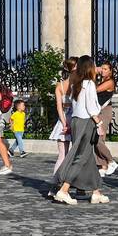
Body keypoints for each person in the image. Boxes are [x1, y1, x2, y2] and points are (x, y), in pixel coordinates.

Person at [53, 56, 109, 205]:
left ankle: (96, 191)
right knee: (80, 158)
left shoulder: (76, 84)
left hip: (77, 121)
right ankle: (64, 190)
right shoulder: (89, 84)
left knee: (88, 157)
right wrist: (99, 123)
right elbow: (91, 107)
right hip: (86, 122)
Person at [48, 59, 76, 191]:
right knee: (76, 155)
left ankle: (56, 182)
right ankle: (69, 183)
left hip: (63, 119)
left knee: (62, 154)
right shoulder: (77, 84)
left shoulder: (59, 85)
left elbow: (59, 107)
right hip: (75, 118)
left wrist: (64, 123)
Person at [94, 60, 118, 176]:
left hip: (105, 111)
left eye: (105, 69)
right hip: (98, 111)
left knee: (99, 140)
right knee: (97, 139)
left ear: (110, 71)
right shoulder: (101, 80)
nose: (102, 71)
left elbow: (95, 90)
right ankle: (102, 166)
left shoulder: (110, 82)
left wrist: (92, 73)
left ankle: (111, 161)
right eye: (101, 69)